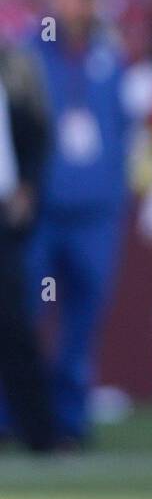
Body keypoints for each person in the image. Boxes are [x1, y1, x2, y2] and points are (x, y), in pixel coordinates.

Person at [20, 0, 129, 447]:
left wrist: (115, 194)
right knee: (24, 314)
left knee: (83, 324)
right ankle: (17, 419)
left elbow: (122, 130)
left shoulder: (111, 55)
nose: (83, 3)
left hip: (95, 212)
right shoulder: (28, 52)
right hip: (40, 210)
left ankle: (69, 422)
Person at [0, 46, 56, 451]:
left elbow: (39, 131)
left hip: (5, 216)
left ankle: (39, 435)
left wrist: (29, 187)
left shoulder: (17, 64)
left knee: (15, 324)